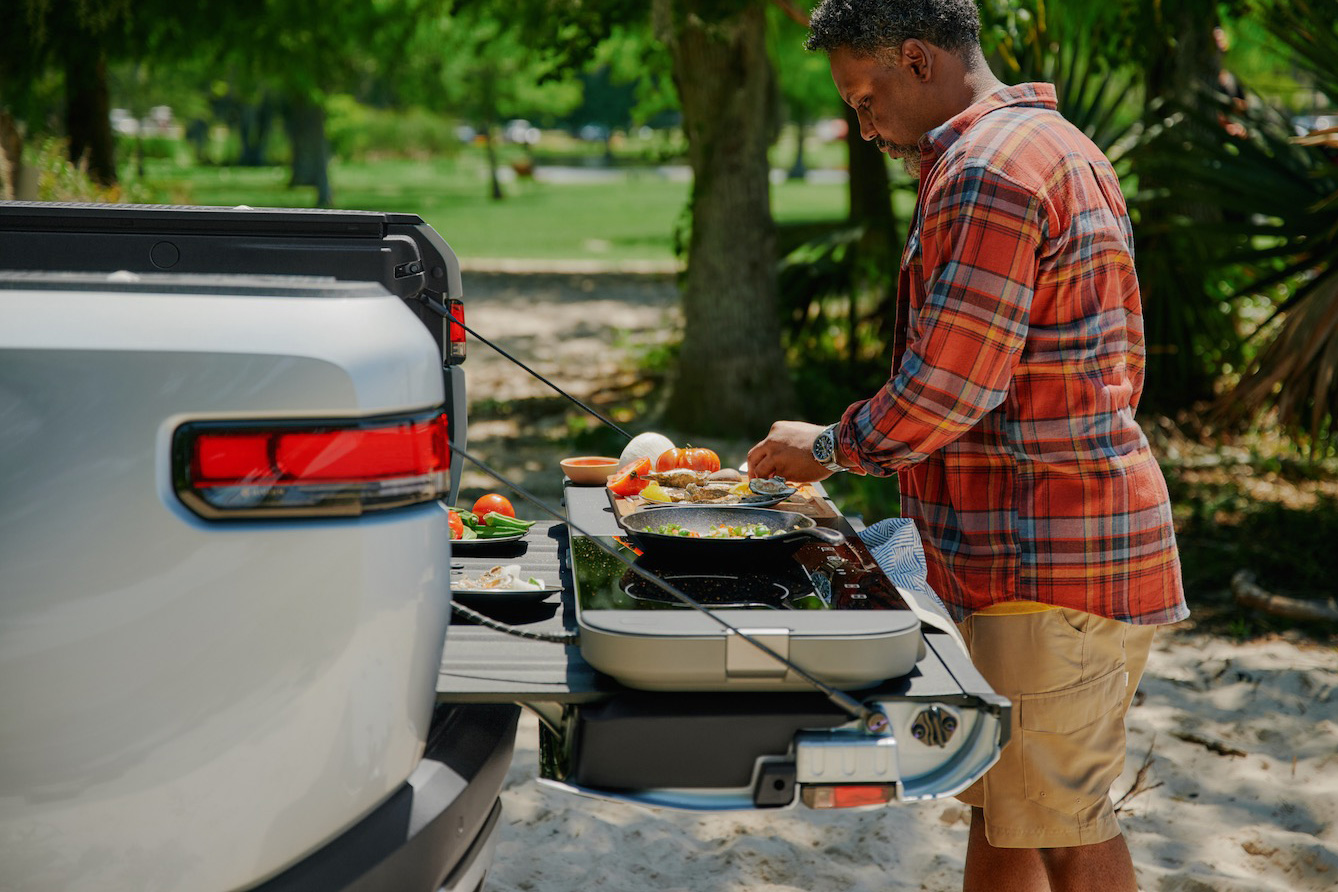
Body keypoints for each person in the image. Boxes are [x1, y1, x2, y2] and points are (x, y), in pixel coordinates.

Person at [746, 2, 1189, 890]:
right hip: (1037, 558)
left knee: (1063, 823)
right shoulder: (1051, 145)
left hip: (1048, 563)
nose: (864, 128)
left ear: (918, 59)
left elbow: (951, 385)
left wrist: (830, 445)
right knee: (1005, 810)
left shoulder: (991, 170)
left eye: (865, 100)